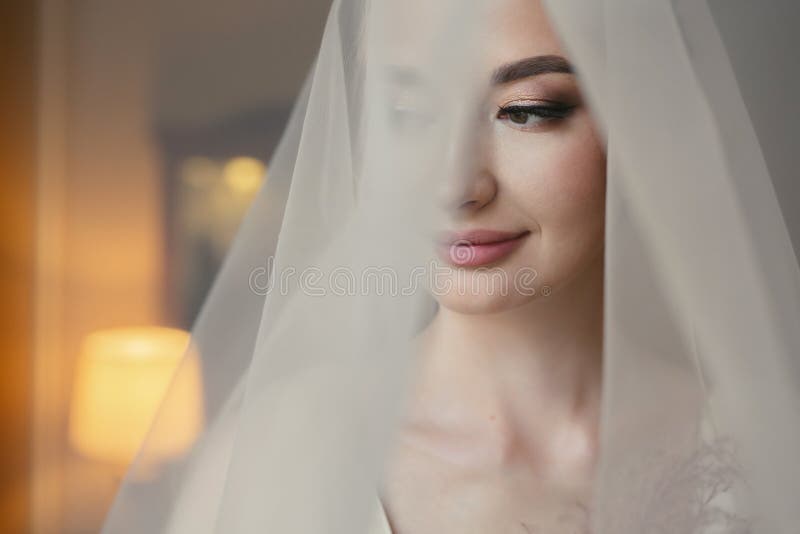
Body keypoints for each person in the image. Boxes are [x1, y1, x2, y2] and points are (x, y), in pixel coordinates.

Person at [102, 1, 800, 533]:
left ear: (641, 119)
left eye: (526, 111)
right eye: (410, 111)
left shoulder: (765, 453)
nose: (453, 185)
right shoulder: (272, 455)